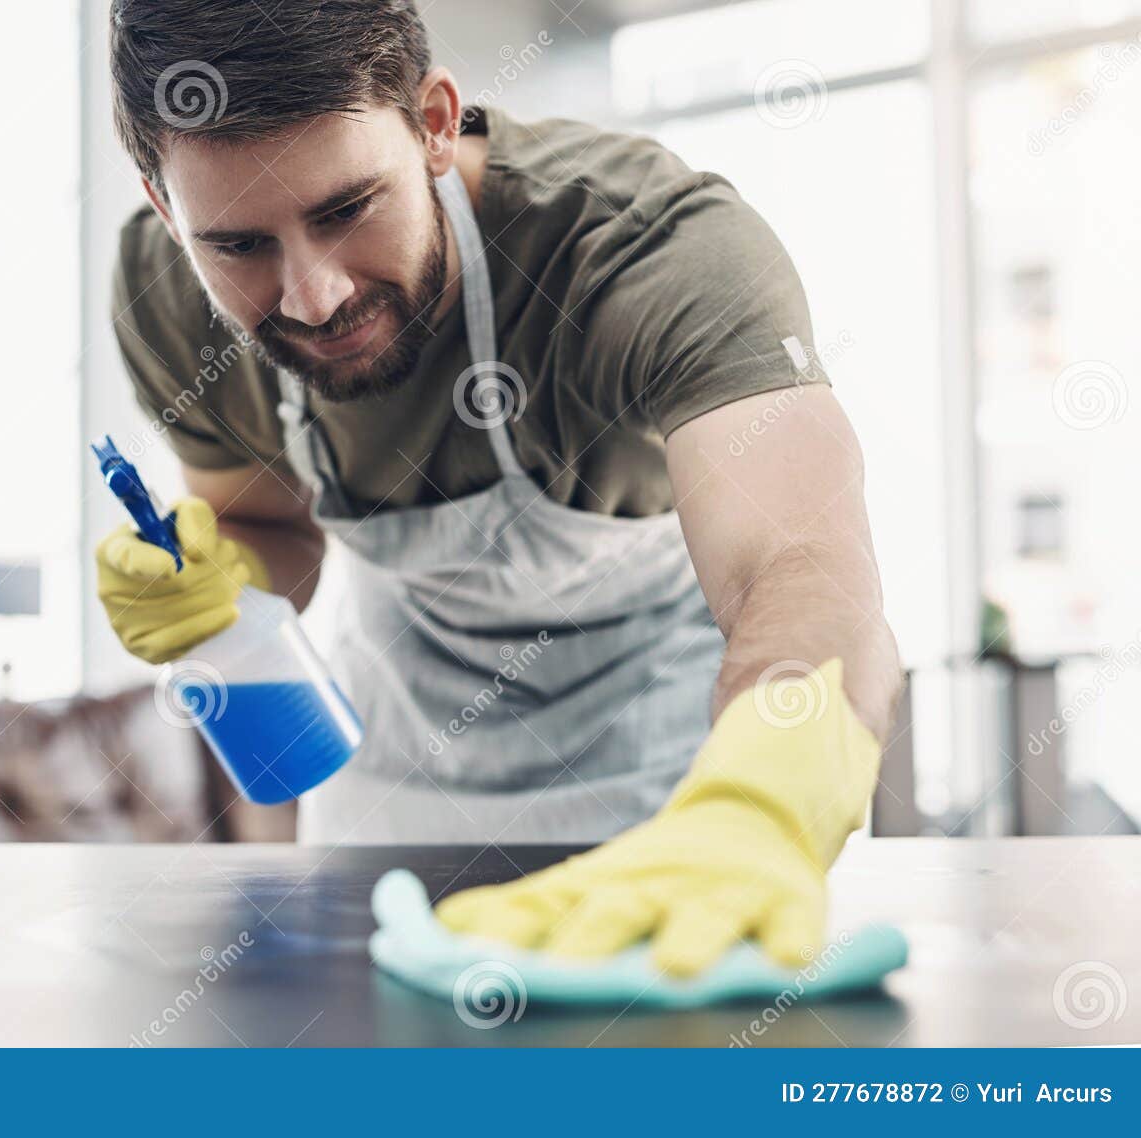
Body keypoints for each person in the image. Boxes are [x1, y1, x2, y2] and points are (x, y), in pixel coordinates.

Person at [98, 0, 902, 975]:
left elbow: (802, 563)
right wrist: (218, 588)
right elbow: (270, 525)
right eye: (237, 245)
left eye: (346, 210)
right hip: (396, 789)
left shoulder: (643, 249)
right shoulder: (166, 296)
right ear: (157, 196)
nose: (315, 295)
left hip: (675, 777)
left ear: (436, 122)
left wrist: (761, 801)